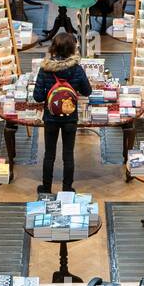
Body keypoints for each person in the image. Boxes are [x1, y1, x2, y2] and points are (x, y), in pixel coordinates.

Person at [32, 31, 92, 195]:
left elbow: (37, 97)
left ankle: (46, 188)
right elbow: (88, 91)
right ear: (72, 49)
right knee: (68, 155)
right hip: (70, 118)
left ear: (53, 48)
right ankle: (67, 189)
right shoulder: (77, 69)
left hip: (50, 118)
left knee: (49, 154)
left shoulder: (45, 69)